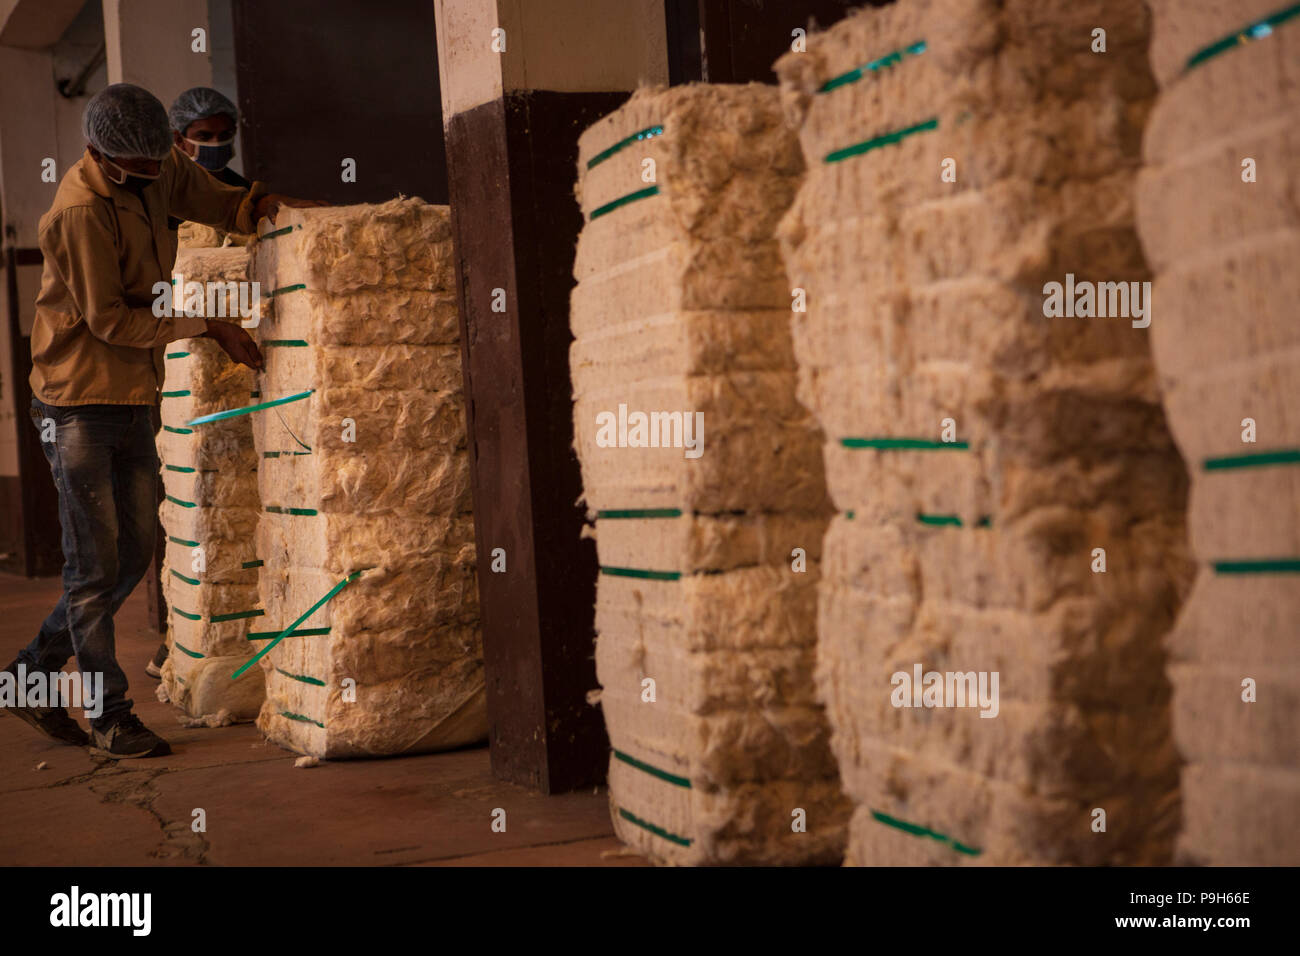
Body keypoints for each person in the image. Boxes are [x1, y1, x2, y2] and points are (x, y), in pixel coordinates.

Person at [2, 83, 316, 759]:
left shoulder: (154, 164)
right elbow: (111, 320)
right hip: (77, 401)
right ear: (99, 153)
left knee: (134, 552)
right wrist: (211, 326)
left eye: (156, 166)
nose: (152, 177)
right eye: (138, 171)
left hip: (129, 393)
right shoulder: (78, 213)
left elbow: (209, 197)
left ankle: (27, 678)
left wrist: (262, 207)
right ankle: (110, 716)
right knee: (92, 568)